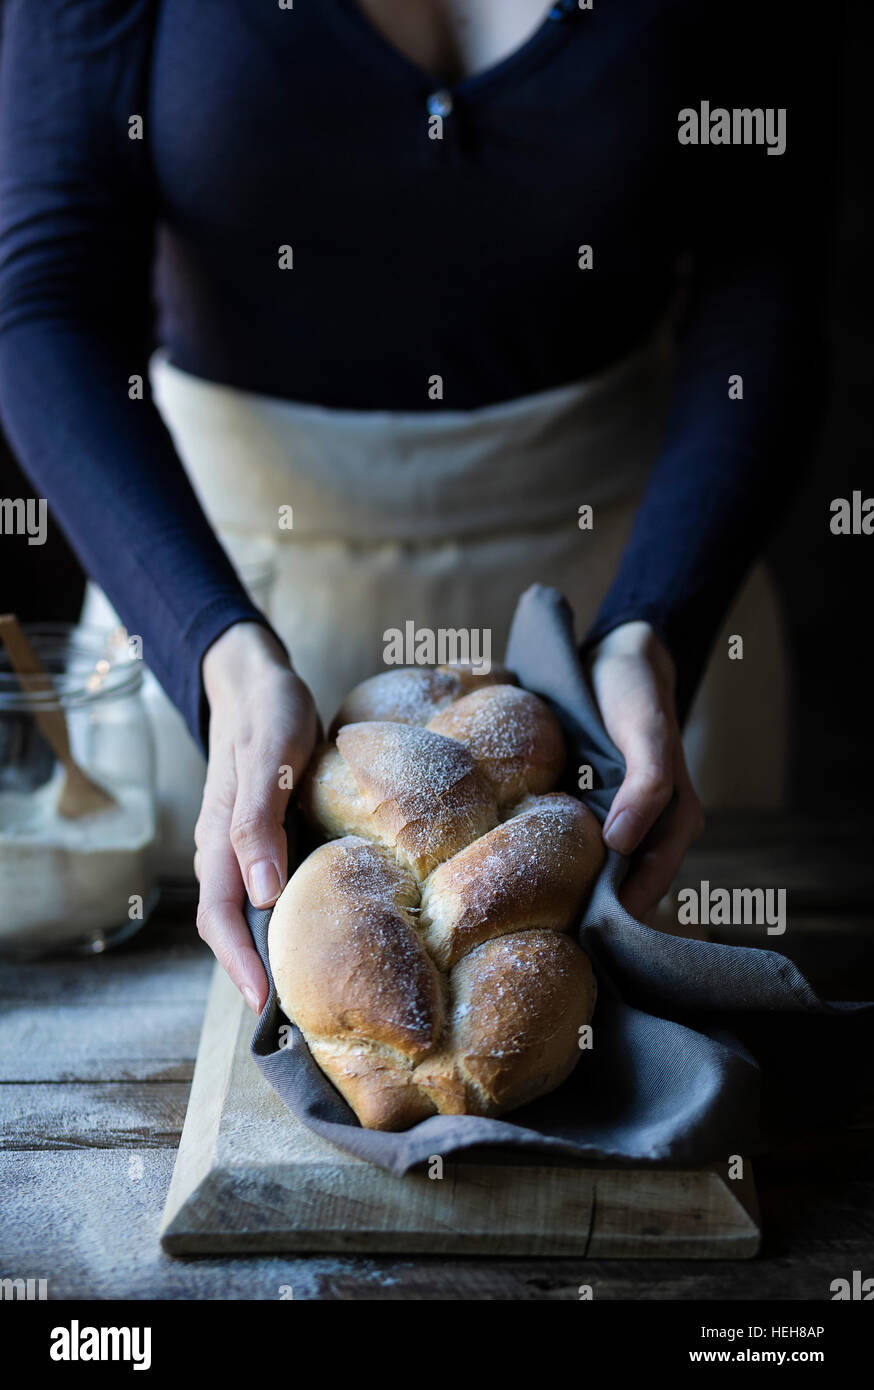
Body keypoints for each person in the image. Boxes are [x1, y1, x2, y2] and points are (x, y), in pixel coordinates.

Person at [0, 0, 826, 1014]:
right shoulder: (219, 663)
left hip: (639, 621)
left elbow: (769, 269)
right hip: (225, 612)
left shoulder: (654, 634)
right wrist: (213, 652)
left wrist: (659, 625)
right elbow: (44, 300)